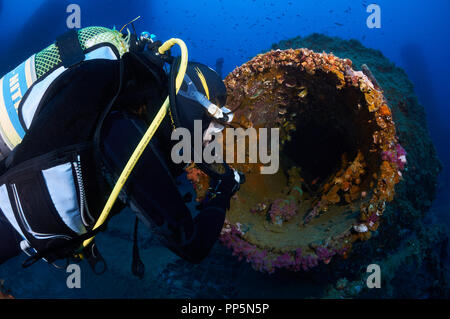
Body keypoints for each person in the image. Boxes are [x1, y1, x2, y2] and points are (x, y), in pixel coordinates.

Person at [0, 25, 244, 275]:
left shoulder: (127, 104)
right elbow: (192, 245)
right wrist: (225, 190)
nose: (215, 134)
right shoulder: (126, 138)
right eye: (215, 121)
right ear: (191, 110)